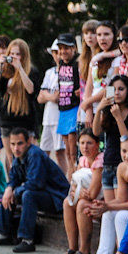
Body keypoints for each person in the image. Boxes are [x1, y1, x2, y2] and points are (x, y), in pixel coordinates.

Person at [0, 129, 69, 252]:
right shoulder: (18, 157)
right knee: (9, 193)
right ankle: (2, 234)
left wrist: (15, 191)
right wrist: (9, 189)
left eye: (20, 143)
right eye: (13, 144)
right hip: (41, 193)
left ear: (28, 142)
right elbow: (14, 178)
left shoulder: (35, 154)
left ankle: (27, 240)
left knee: (28, 195)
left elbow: (35, 183)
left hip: (57, 198)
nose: (16, 148)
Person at [92, 75, 128, 207]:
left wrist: (119, 118)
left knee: (120, 206)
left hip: (124, 164)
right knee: (109, 208)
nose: (117, 93)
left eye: (121, 89)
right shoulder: (109, 111)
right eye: (113, 89)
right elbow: (96, 132)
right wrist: (98, 110)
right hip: (108, 163)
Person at [54, 129, 103, 254]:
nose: (85, 147)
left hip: (102, 199)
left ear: (97, 144)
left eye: (89, 143)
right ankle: (72, 248)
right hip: (85, 196)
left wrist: (79, 192)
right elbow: (74, 187)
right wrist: (78, 192)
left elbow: (92, 194)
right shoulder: (82, 160)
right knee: (67, 203)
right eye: (82, 143)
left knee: (82, 204)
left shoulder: (100, 161)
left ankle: (84, 252)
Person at [50, 33, 81, 173]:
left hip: (74, 108)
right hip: (62, 108)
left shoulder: (78, 63)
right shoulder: (61, 63)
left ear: (74, 48)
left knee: (73, 150)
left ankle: (74, 175)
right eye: (60, 49)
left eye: (66, 48)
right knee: (67, 151)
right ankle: (70, 176)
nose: (63, 52)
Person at [37, 40, 66, 170]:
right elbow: (40, 97)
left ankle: (63, 183)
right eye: (55, 52)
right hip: (48, 118)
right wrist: (51, 96)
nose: (58, 55)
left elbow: (57, 96)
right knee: (44, 151)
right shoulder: (49, 72)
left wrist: (47, 95)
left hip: (60, 117)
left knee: (60, 152)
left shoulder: (68, 71)